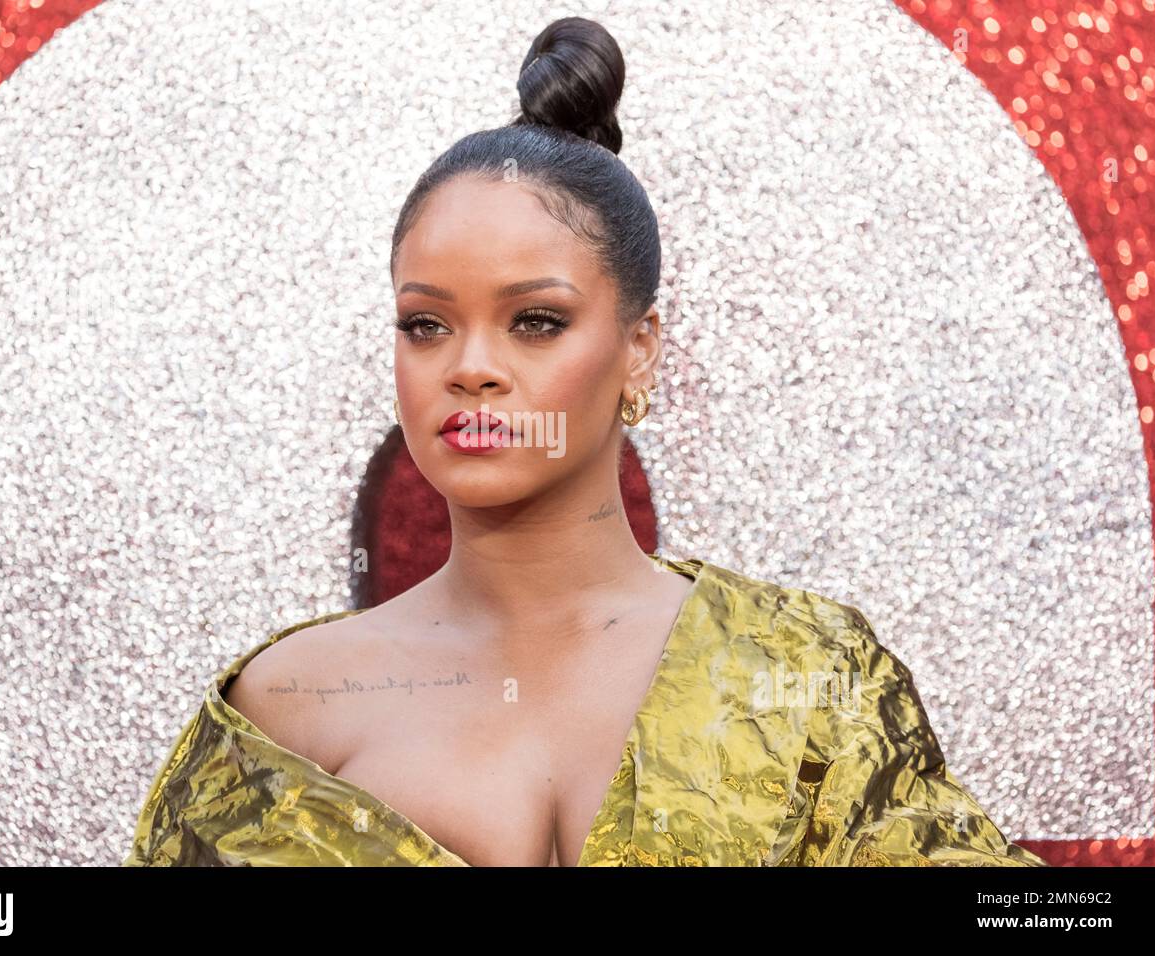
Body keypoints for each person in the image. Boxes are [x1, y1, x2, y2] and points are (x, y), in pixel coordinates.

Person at [123, 17, 1045, 868]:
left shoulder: (799, 675)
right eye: (426, 326)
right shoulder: (283, 710)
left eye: (534, 321)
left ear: (638, 347)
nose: (471, 369)